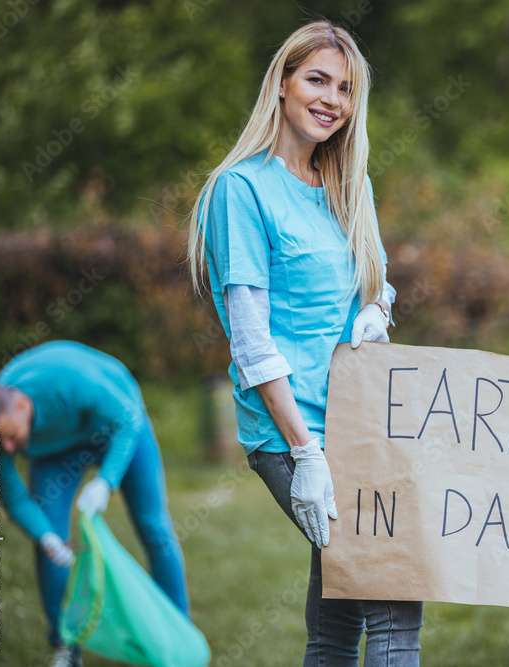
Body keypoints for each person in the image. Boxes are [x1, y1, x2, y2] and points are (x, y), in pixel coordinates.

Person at [186, 20, 422, 665]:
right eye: (317, 79)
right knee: (394, 594)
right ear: (282, 84)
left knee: (341, 615)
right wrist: (305, 453)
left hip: (359, 422)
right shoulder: (241, 189)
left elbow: (373, 284)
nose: (332, 100)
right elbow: (251, 341)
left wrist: (376, 309)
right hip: (294, 430)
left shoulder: (350, 183)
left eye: (344, 88)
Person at [0, 341, 189, 667]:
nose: (9, 447)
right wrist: (45, 536)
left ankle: (179, 632)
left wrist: (106, 480)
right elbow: (15, 498)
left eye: (11, 436)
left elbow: (128, 421)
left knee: (154, 526)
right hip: (56, 453)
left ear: (22, 404)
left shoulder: (69, 380)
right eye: (1, 443)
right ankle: (65, 646)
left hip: (121, 424)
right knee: (52, 541)